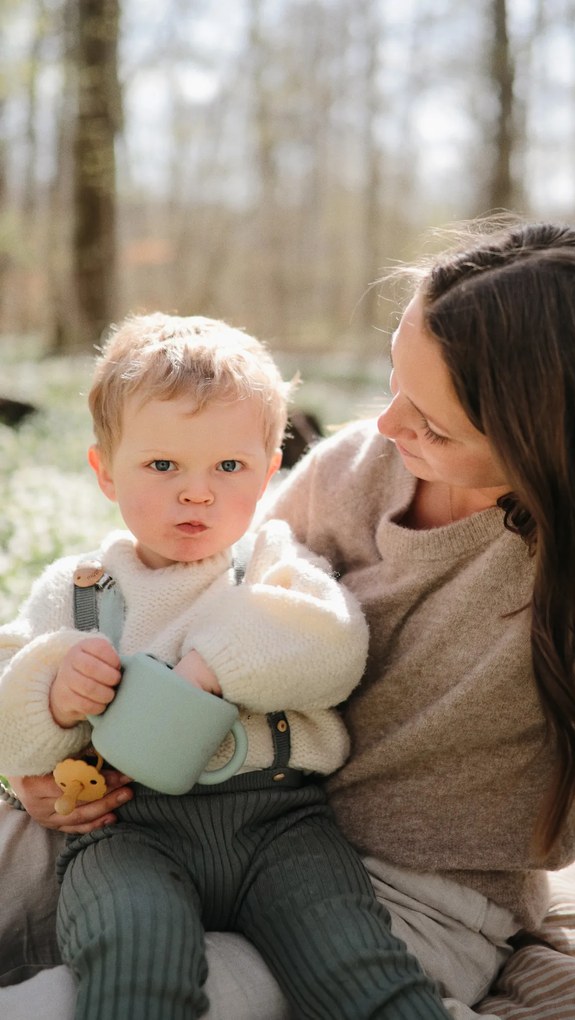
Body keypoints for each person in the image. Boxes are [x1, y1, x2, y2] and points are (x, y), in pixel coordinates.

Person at [0, 220, 575, 1020]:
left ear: (543, 441)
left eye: (434, 423)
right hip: (180, 808)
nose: (389, 427)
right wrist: (40, 779)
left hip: (408, 890)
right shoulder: (357, 466)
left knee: (125, 995)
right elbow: (205, 592)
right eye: (395, 383)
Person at [0, 313, 450, 1020]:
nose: (197, 492)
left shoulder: (272, 564)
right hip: (128, 837)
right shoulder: (78, 589)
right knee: (135, 960)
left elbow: (333, 648)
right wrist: (54, 694)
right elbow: (12, 732)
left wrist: (209, 667)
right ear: (104, 472)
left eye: (229, 467)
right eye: (162, 466)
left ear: (270, 471)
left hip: (280, 826)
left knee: (356, 968)